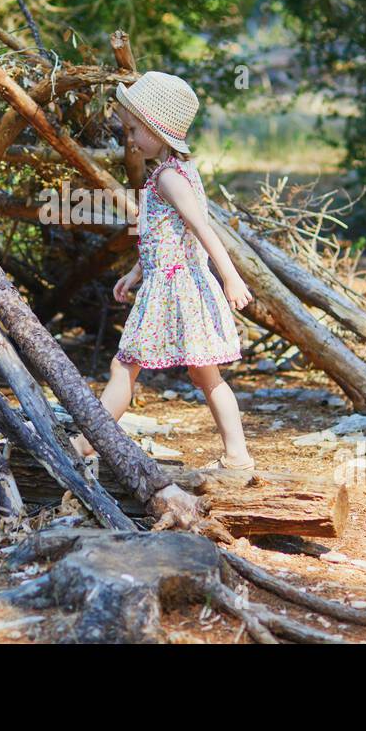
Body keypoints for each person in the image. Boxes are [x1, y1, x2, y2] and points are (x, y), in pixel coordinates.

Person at [70, 70, 256, 470]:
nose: (130, 138)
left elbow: (201, 229)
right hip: (174, 284)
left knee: (125, 364)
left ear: (159, 128)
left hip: (175, 289)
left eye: (135, 128)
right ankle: (237, 453)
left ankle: (88, 443)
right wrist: (136, 272)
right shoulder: (172, 174)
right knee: (205, 376)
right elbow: (165, 236)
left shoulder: (170, 178)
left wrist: (231, 276)